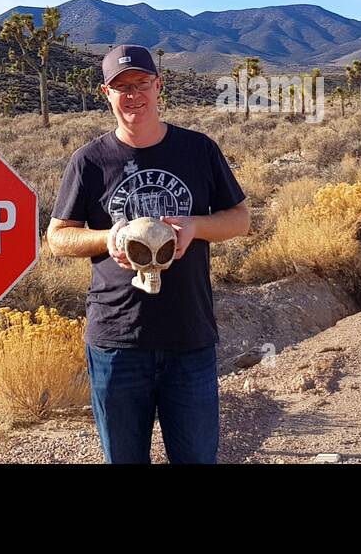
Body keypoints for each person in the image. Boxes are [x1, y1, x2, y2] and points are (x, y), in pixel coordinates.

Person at [46, 44, 250, 463]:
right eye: (121, 87)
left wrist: (194, 226)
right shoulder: (89, 161)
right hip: (117, 342)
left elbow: (239, 219)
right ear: (106, 94)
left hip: (188, 338)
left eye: (141, 83)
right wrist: (109, 239)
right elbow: (58, 238)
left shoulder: (198, 150)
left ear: (158, 86)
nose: (132, 95)